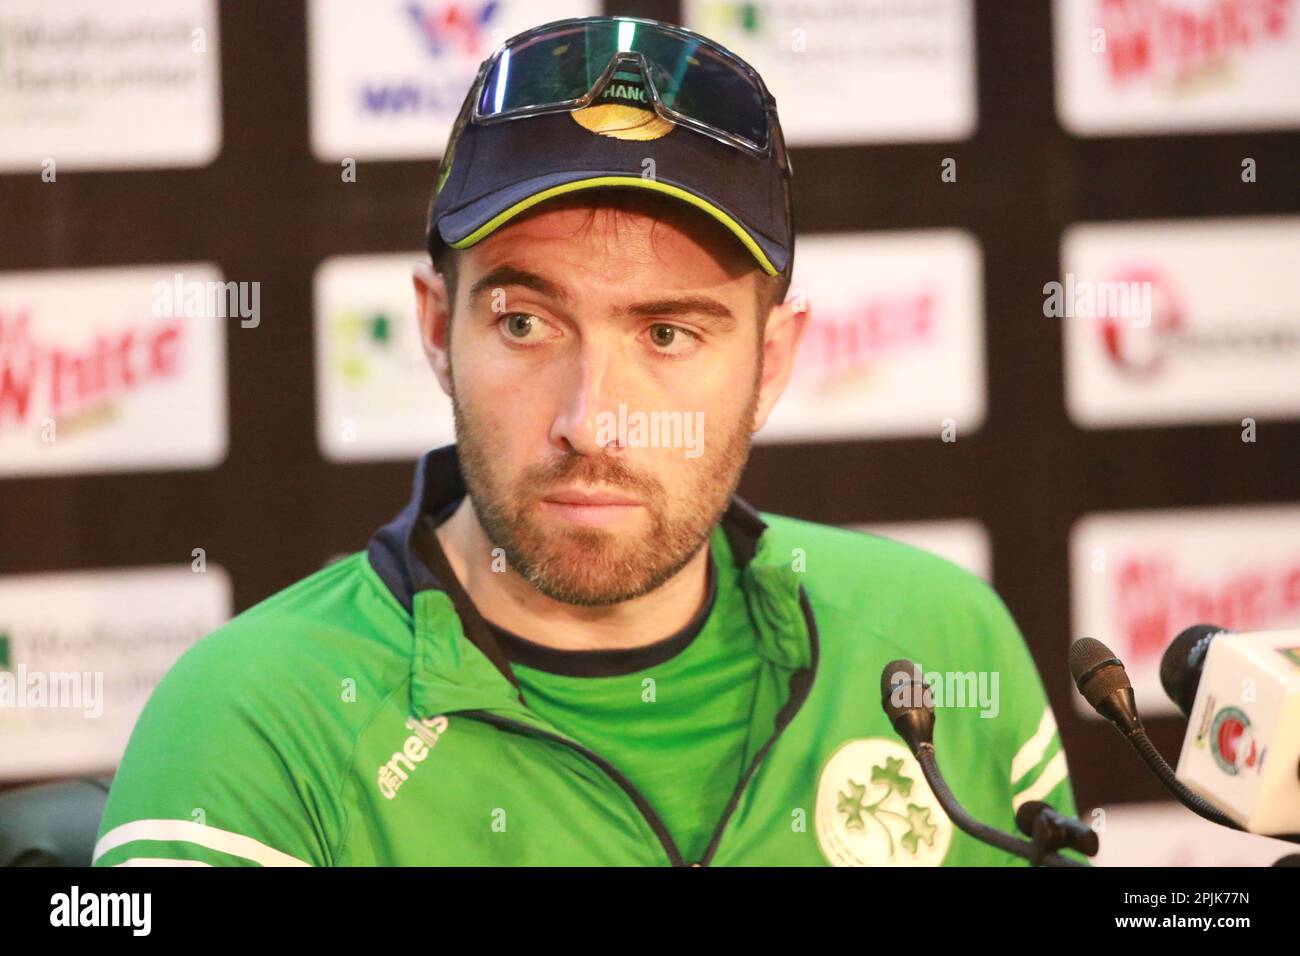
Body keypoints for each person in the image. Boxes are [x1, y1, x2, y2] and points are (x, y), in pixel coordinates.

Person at [93, 15, 1078, 867]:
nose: (591, 419)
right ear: (437, 330)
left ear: (772, 361)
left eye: (666, 333)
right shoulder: (252, 726)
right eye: (527, 323)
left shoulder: (939, 646)